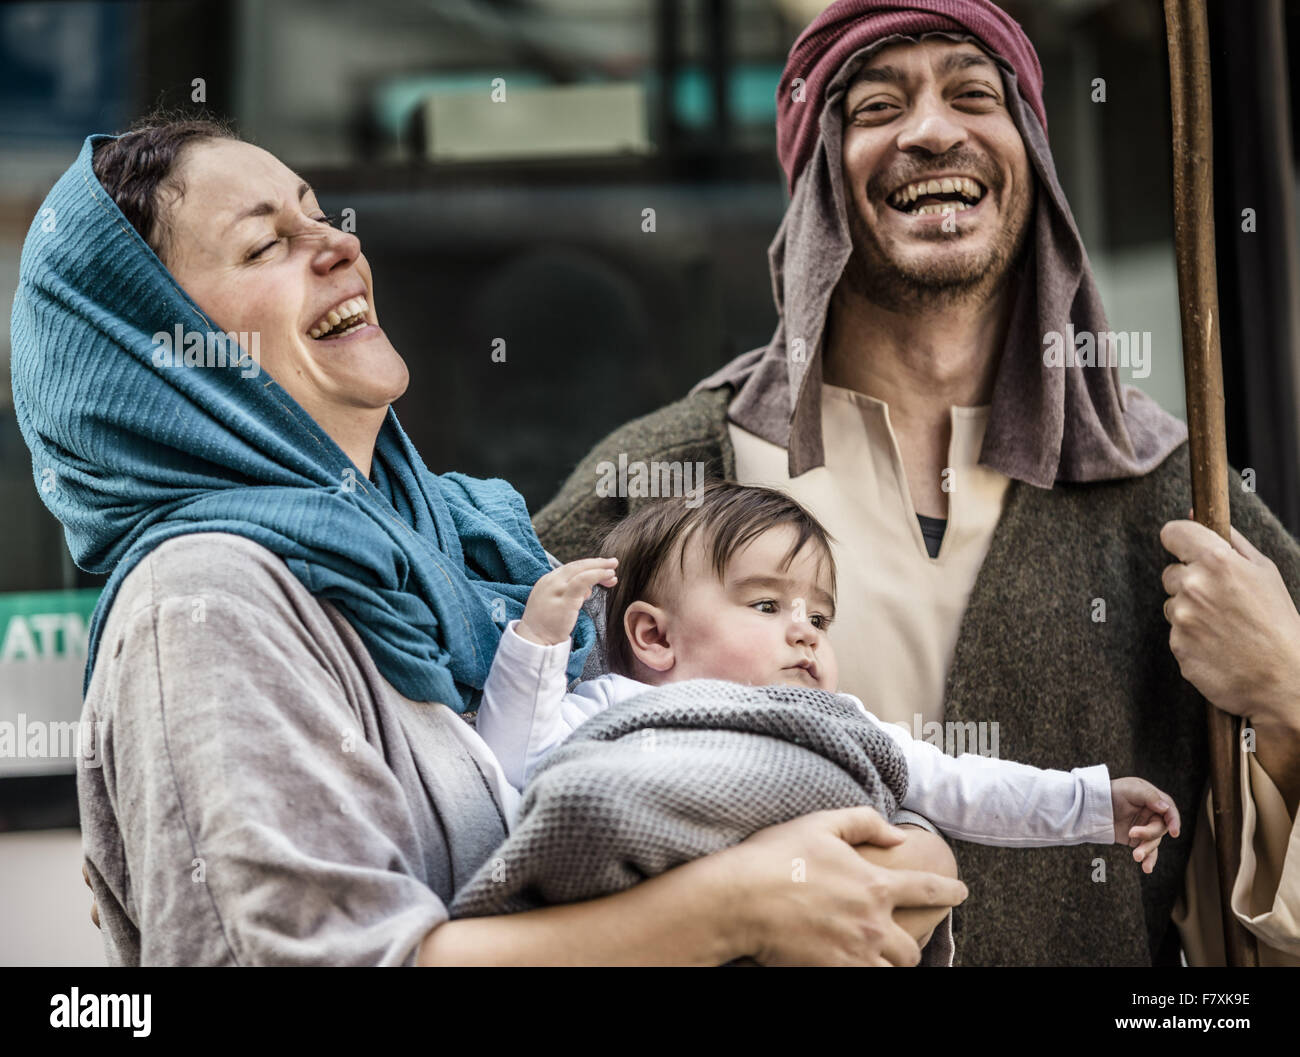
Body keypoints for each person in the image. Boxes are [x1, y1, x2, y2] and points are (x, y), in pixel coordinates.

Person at [11, 116, 968, 966]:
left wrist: (896, 843)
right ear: (159, 350)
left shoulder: (468, 548)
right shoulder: (207, 603)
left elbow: (686, 767)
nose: (336, 243)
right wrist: (729, 911)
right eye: (266, 245)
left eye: (318, 213)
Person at [534, 0, 1300, 965]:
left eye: (975, 94)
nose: (934, 130)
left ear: (1034, 160)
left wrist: (1289, 691)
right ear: (817, 176)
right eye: (878, 105)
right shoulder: (666, 476)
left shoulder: (1166, 492)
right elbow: (496, 821)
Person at [478, 482, 1181, 902]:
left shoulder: (840, 724)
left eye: (818, 616)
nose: (806, 633)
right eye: (765, 606)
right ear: (656, 639)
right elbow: (512, 770)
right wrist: (537, 643)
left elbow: (962, 783)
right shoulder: (620, 707)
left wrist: (1090, 803)